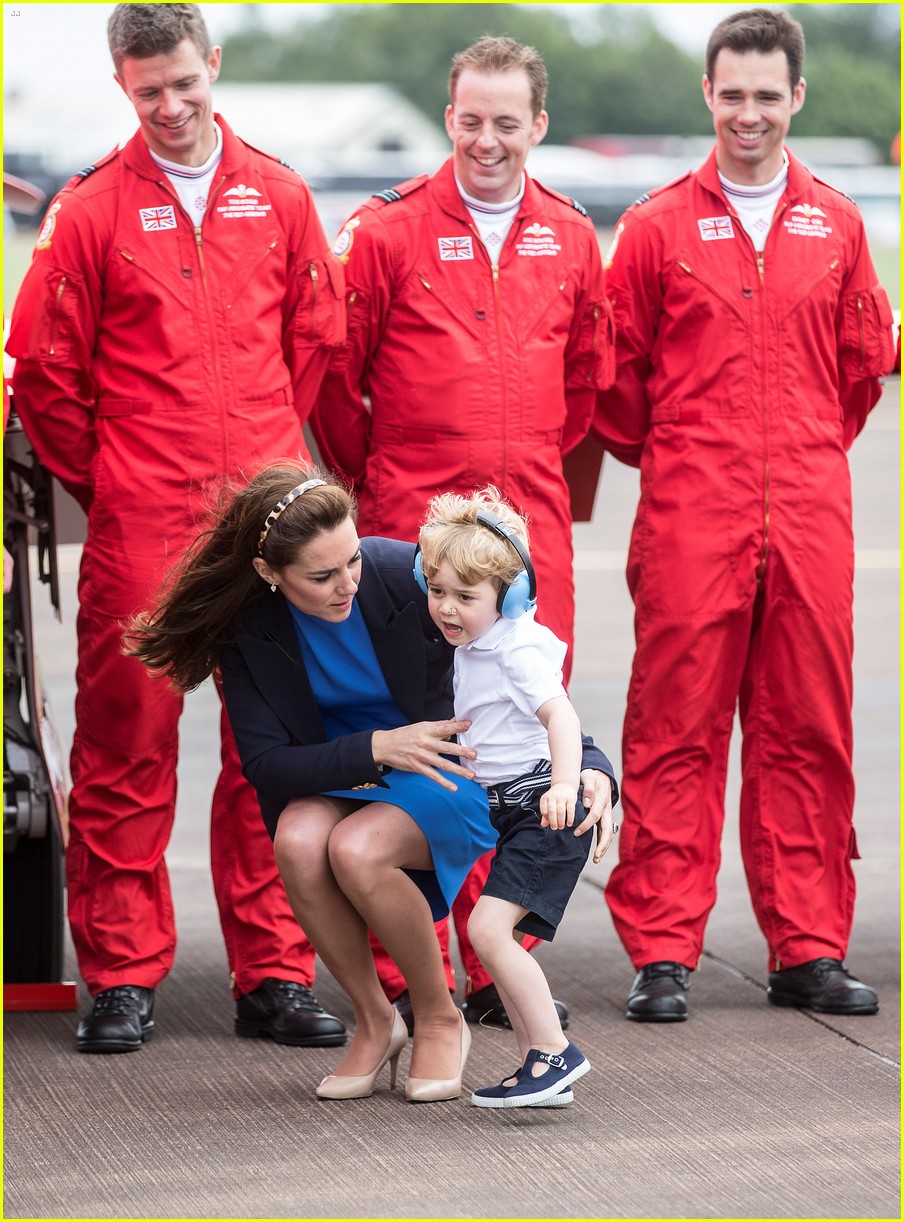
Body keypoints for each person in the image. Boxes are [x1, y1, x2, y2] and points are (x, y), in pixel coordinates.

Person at [5, 4, 347, 1053]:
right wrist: (117, 476)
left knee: (271, 751)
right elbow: (49, 375)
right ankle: (121, 971)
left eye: (185, 83)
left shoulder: (281, 195)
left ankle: (275, 972)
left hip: (266, 523)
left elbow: (315, 344)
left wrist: (262, 464)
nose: (171, 106)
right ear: (124, 86)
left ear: (215, 66)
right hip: (145, 517)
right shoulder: (92, 209)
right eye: (148, 90)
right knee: (126, 744)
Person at [126, 461, 616, 1102]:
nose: (346, 584)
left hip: (449, 770)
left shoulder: (403, 574)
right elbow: (267, 765)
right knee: (299, 839)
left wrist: (588, 765)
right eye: (322, 575)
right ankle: (374, 1018)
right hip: (354, 769)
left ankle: (437, 1013)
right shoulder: (247, 627)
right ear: (269, 574)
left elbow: (514, 672)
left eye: (352, 560)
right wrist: (377, 749)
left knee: (356, 849)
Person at [592, 7, 894, 1021]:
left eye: (768, 95)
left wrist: (794, 455)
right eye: (733, 94)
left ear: (796, 98)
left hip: (808, 505)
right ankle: (663, 950)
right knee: (672, 723)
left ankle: (806, 947)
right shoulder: (654, 225)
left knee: (806, 727)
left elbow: (859, 375)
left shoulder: (839, 225)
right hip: (690, 505)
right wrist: (694, 454)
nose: (749, 114)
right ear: (707, 95)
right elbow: (616, 383)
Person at [311, 34, 615, 1027]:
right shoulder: (386, 231)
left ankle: (500, 954)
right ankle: (409, 965)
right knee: (421, 736)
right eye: (470, 120)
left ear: (537, 123)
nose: (488, 140)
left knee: (523, 734)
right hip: (411, 514)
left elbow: (585, 390)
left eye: (507, 122)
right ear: (450, 119)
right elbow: (334, 385)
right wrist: (399, 474)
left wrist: (515, 469)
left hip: (525, 516)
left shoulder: (570, 236)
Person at [415, 488, 617, 1108]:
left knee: (488, 931)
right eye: (437, 590)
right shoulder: (475, 643)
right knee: (492, 932)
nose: (447, 608)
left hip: (541, 806)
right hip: (511, 807)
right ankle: (542, 1065)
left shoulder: (515, 647)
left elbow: (559, 715)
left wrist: (564, 783)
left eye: (465, 597)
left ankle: (555, 1054)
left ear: (508, 599)